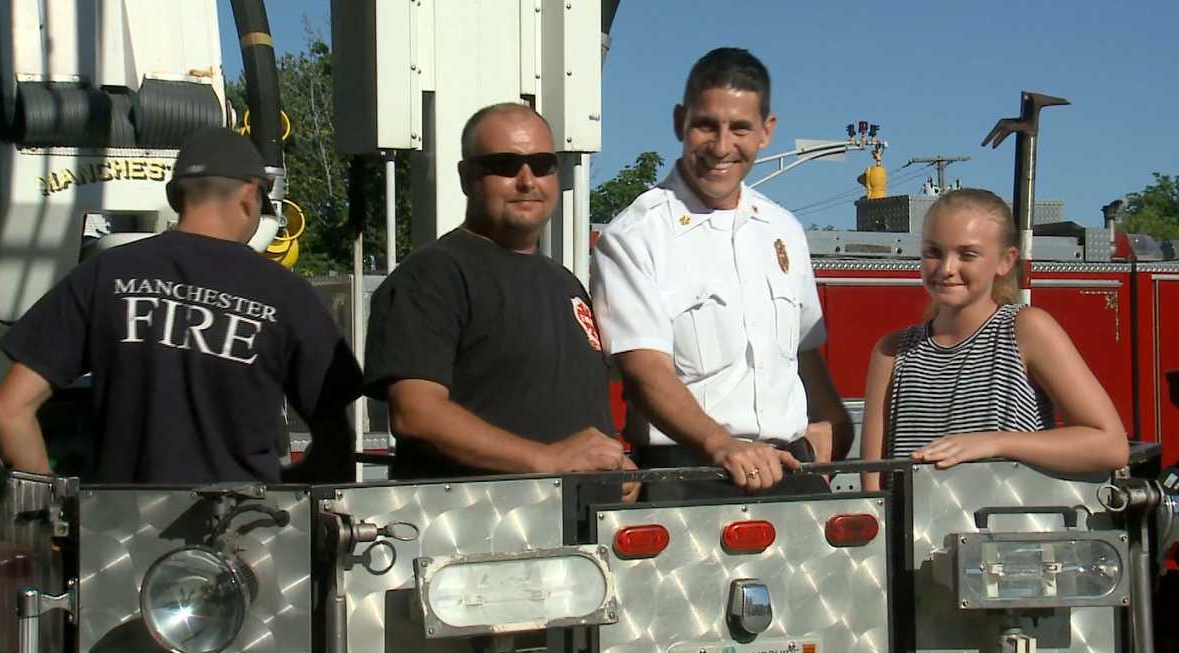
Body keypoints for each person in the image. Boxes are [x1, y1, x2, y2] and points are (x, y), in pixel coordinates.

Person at [0, 127, 360, 483]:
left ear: (175, 197)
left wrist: (52, 514)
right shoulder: (288, 295)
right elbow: (336, 448)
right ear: (250, 196)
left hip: (117, 540)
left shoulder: (104, 274)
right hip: (247, 536)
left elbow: (5, 413)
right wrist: (285, 494)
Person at [591, 47, 852, 500]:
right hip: (686, 478)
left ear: (767, 132)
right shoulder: (635, 235)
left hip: (788, 471)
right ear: (679, 122)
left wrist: (835, 428)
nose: (722, 146)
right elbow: (646, 372)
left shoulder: (784, 229)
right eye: (706, 125)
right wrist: (722, 446)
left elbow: (803, 353)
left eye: (741, 128)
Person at [363, 102, 637, 499]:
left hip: (578, 540)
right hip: (477, 535)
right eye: (506, 165)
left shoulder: (567, 284)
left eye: (542, 164)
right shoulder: (432, 275)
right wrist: (546, 461)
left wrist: (615, 462)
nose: (527, 180)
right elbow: (415, 413)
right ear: (466, 177)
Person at [860, 188, 1129, 490]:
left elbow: (1110, 445)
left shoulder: (1025, 329)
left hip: (1010, 533)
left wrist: (995, 443)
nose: (947, 269)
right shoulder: (892, 351)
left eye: (967, 254)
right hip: (915, 534)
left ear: (1005, 261)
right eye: (933, 252)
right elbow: (873, 485)